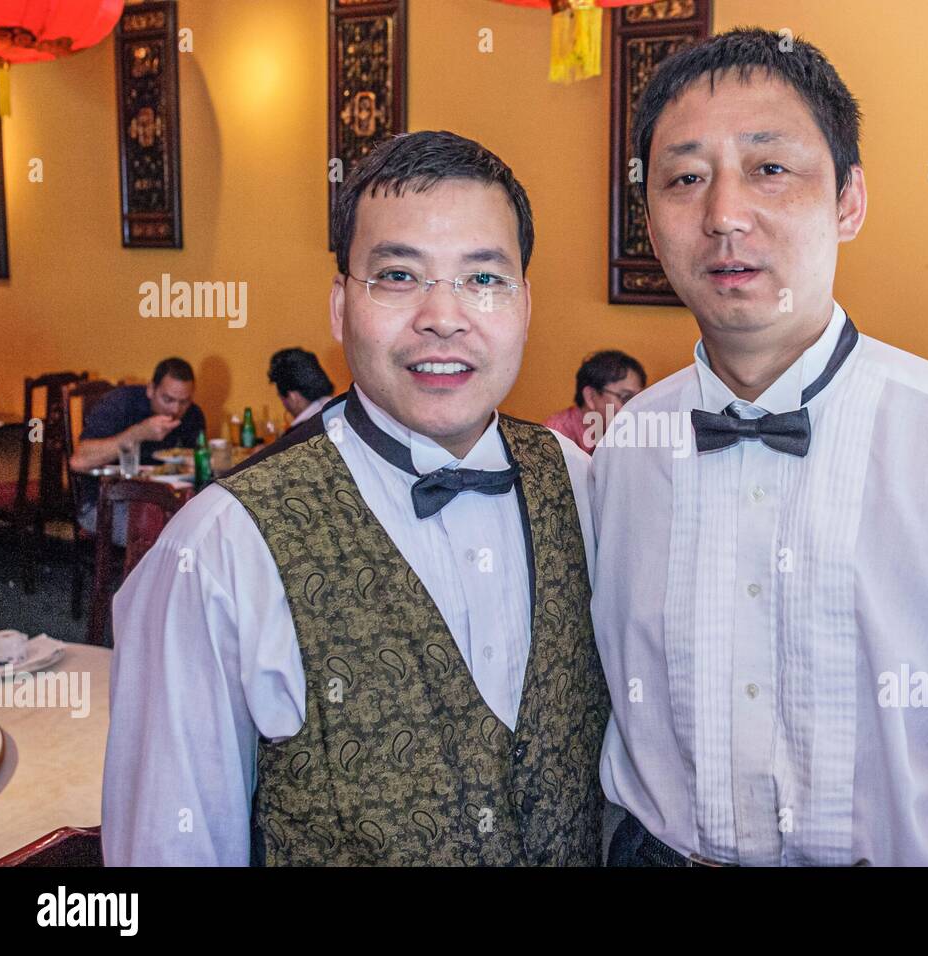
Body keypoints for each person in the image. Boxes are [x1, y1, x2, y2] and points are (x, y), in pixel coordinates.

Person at [591, 29, 928, 866]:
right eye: (685, 178)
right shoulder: (622, 454)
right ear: (651, 218)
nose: (724, 215)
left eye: (770, 168)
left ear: (849, 200)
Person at [102, 131, 609, 865]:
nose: (444, 315)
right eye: (399, 276)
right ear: (340, 307)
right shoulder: (219, 547)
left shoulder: (582, 483)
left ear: (525, 305)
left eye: (484, 279)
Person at [69, 357, 206, 544]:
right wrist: (138, 433)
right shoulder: (120, 403)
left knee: (209, 529)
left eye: (184, 402)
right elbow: (78, 461)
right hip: (106, 504)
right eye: (168, 399)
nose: (175, 409)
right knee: (174, 536)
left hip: (165, 502)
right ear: (151, 389)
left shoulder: (193, 414)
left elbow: (198, 468)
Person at [543, 350, 646, 454]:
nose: (635, 408)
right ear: (591, 397)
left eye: (639, 399)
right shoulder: (553, 436)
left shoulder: (627, 434)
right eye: (626, 398)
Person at [267, 347, 335, 430]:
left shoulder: (299, 434)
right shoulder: (344, 410)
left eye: (283, 400)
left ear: (293, 396)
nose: (285, 406)